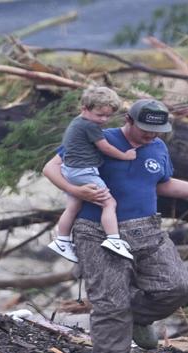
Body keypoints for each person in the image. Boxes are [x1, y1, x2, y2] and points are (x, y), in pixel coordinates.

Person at [41, 98, 188, 353]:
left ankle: (136, 317)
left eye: (157, 129)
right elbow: (51, 167)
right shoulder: (99, 136)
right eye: (146, 128)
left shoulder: (158, 147)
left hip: (146, 228)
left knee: (178, 285)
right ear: (129, 120)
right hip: (96, 230)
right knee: (110, 302)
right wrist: (75, 189)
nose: (151, 134)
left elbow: (162, 184)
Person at [48, 86, 138, 263]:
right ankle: (113, 239)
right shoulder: (91, 126)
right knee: (109, 203)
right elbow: (105, 147)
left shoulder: (77, 122)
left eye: (108, 116)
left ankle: (62, 239)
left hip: (70, 169)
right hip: (83, 171)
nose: (104, 120)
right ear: (84, 108)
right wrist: (125, 156)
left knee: (73, 205)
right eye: (100, 115)